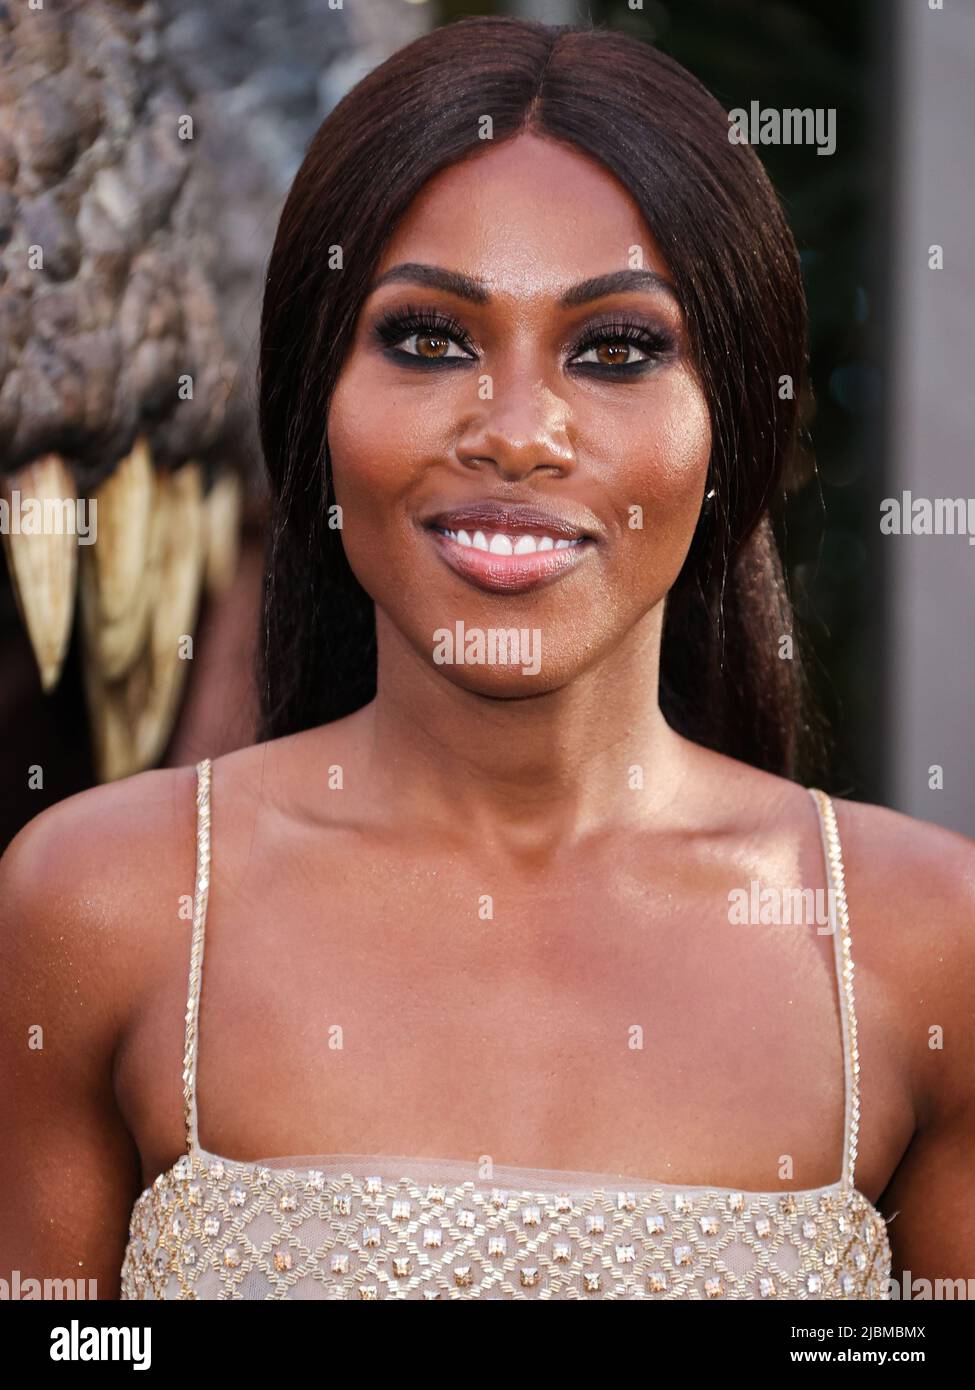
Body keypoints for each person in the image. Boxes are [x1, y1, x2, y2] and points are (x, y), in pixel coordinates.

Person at [1, 16, 972, 1301]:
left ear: (730, 420)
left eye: (617, 348)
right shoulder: (98, 904)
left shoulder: (921, 940)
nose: (516, 433)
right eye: (428, 339)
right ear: (317, 405)